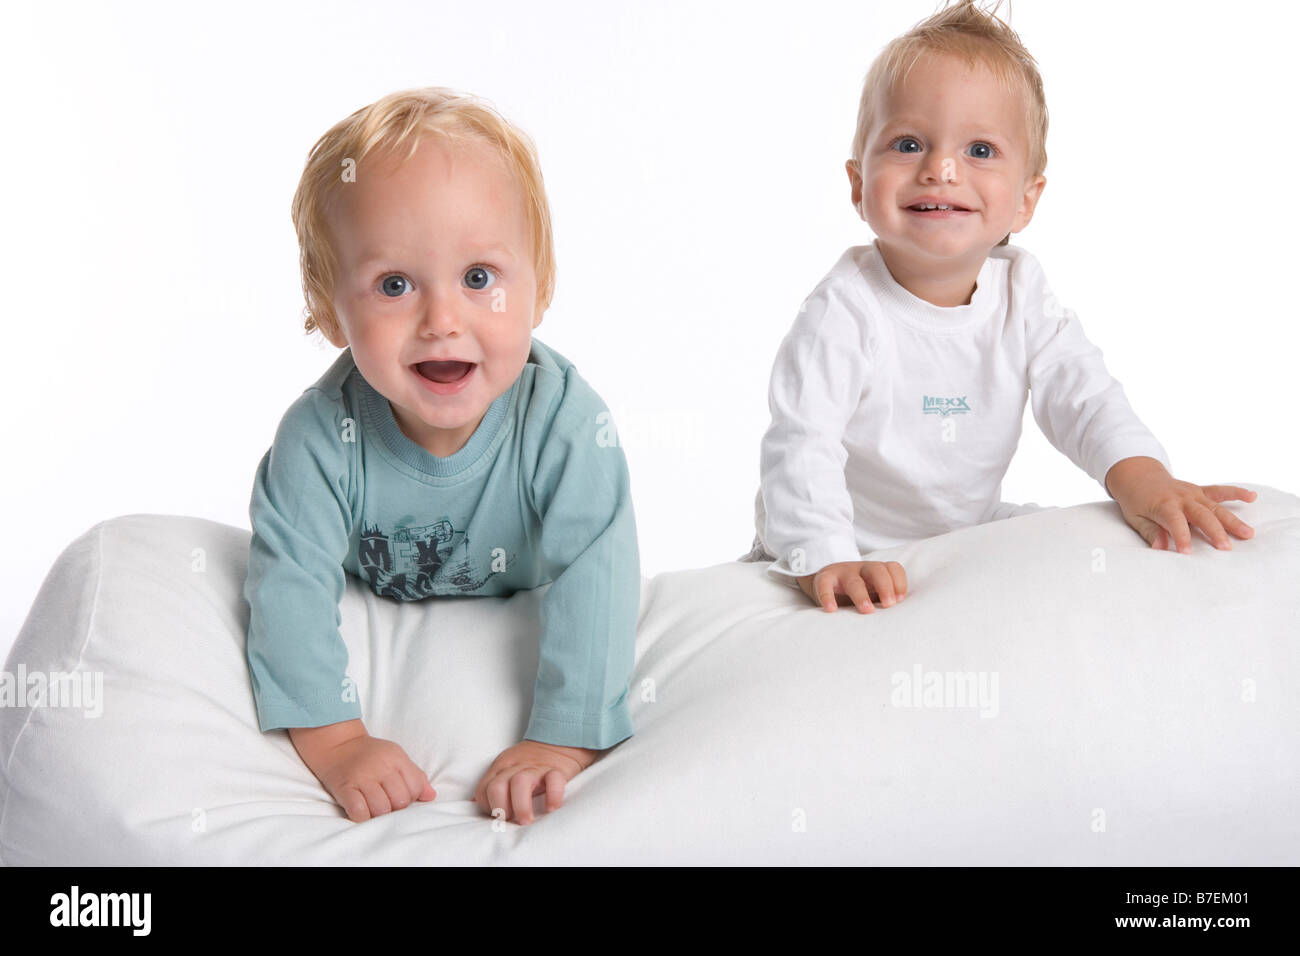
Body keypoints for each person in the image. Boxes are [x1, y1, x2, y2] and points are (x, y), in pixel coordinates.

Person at [744, 0, 1255, 613]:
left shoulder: (1021, 290)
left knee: (1087, 545)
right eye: (908, 143)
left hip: (964, 532)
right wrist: (825, 554)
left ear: (1025, 201)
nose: (941, 169)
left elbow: (1083, 393)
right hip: (842, 540)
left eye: (980, 151)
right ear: (858, 185)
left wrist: (1143, 477)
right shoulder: (845, 309)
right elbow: (803, 442)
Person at [244, 87, 639, 825]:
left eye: (479, 278)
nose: (442, 320)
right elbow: (287, 589)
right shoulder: (320, 440)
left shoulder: (566, 424)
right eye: (394, 285)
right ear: (330, 310)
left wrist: (561, 739)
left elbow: (599, 573)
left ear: (540, 288)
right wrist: (338, 741)